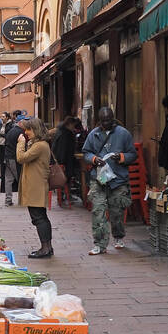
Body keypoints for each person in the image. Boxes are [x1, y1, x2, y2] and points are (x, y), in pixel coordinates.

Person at [82, 106, 137, 255]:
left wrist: (121, 157)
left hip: (118, 179)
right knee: (98, 211)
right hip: (98, 179)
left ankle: (118, 236)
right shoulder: (93, 135)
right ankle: (100, 244)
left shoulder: (123, 133)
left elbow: (133, 154)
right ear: (99, 121)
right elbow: (86, 152)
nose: (106, 123)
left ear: (113, 118)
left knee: (116, 211)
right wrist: (94, 159)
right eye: (103, 120)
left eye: (109, 120)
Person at [14, 117, 54, 258]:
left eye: (28, 129)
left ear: (35, 130)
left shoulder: (40, 145)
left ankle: (45, 248)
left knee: (38, 218)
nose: (26, 132)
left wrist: (21, 143)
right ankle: (47, 247)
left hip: (36, 185)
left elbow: (21, 158)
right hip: (36, 184)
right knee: (41, 216)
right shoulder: (40, 144)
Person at [51, 116, 79, 206]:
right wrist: (62, 162)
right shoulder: (66, 134)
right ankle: (65, 195)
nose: (74, 127)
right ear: (69, 124)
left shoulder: (59, 131)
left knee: (65, 179)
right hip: (65, 160)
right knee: (65, 178)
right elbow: (63, 149)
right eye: (73, 125)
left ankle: (63, 196)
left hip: (59, 159)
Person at [0, 111, 25, 206]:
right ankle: (23, 200)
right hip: (14, 158)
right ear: (20, 122)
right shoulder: (21, 132)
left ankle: (8, 200)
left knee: (8, 180)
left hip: (7, 158)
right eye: (25, 122)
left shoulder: (11, 130)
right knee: (21, 178)